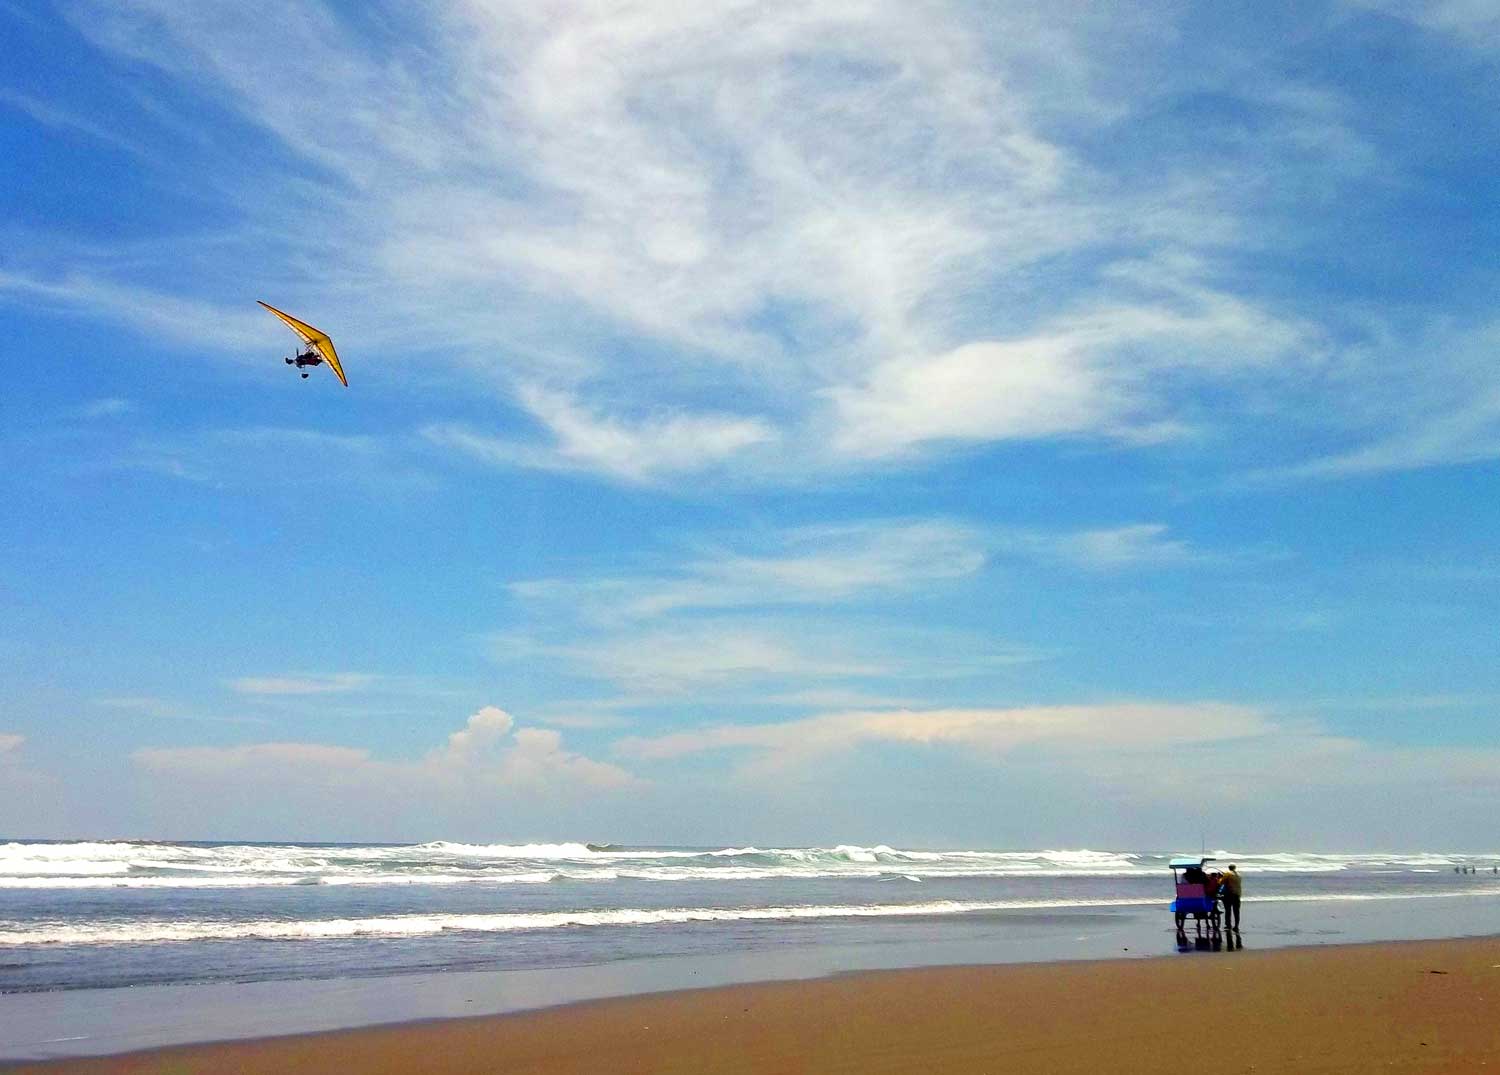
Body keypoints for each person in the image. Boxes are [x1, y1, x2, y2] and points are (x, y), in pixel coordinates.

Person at [1220, 863, 1243, 932]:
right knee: (1236, 911)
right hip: (1238, 894)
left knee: (1228, 910)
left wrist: (1222, 876)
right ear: (1234, 868)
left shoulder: (1227, 874)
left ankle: (1228, 925)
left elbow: (1221, 882)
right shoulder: (1239, 875)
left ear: (1229, 868)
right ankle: (1236, 925)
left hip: (1229, 894)